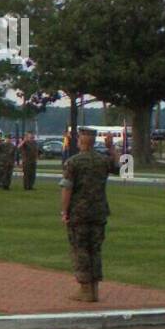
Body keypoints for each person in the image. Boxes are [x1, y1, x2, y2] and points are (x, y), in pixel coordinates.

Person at [60, 128, 120, 303]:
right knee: (95, 249)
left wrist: (64, 210)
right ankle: (94, 289)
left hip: (79, 212)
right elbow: (121, 167)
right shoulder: (103, 161)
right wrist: (111, 148)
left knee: (80, 249)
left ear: (81, 141)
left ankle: (85, 289)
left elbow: (67, 188)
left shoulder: (74, 162)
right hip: (99, 211)